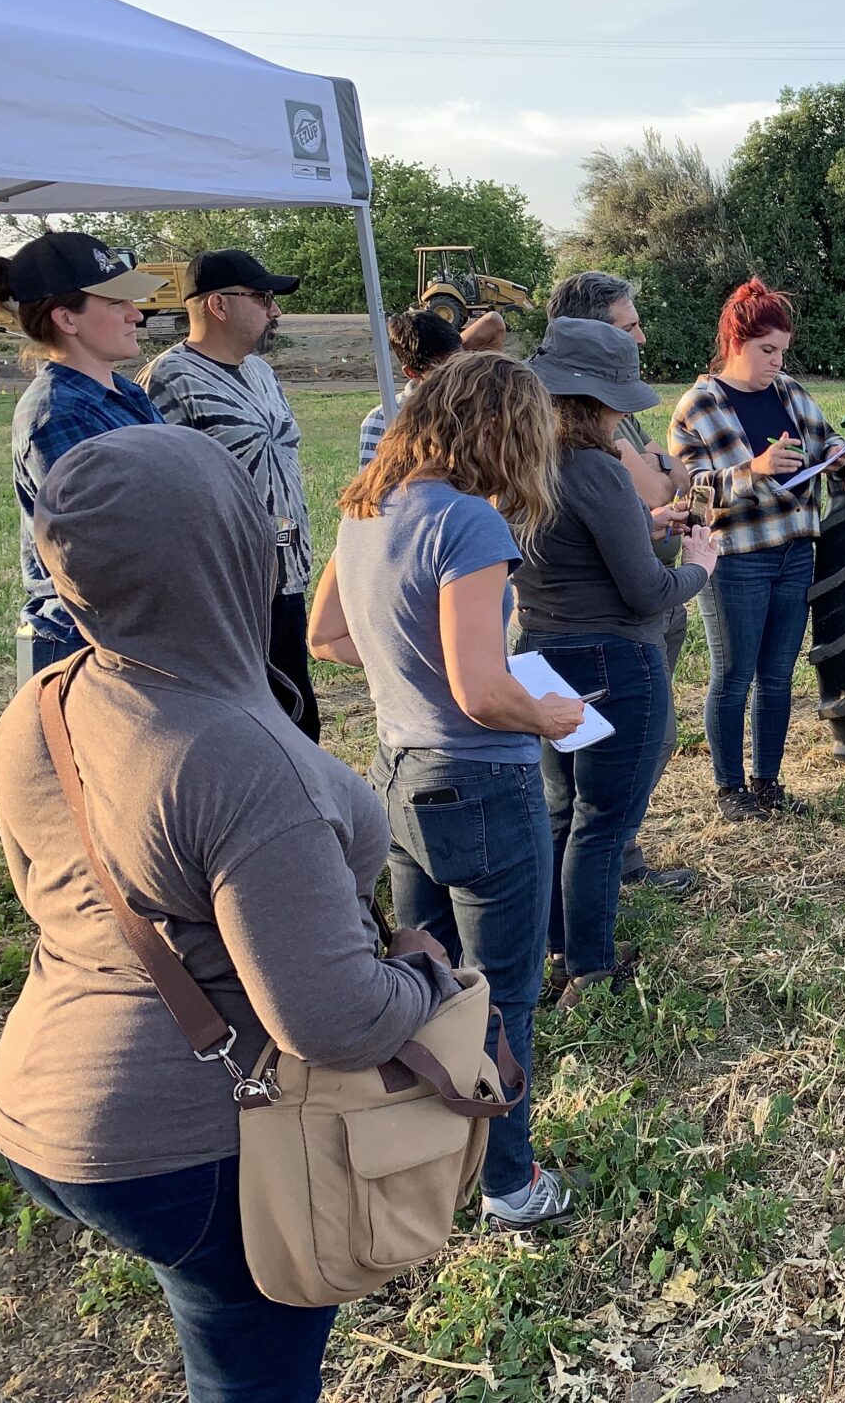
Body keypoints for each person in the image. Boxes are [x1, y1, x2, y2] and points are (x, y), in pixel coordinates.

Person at [0, 425, 443, 1401]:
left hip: (38, 1104)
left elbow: (54, 887)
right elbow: (330, 1019)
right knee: (250, 1377)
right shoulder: (238, 757)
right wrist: (425, 982)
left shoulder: (43, 700)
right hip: (199, 1135)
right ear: (220, 551)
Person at [307, 352, 583, 1231]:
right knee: (499, 994)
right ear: (498, 428)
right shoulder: (468, 524)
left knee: (419, 979)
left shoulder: (364, 505)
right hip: (481, 783)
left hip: (397, 778)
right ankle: (509, 1185)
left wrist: (407, 669)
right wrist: (549, 713)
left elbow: (327, 636)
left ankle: (426, 1160)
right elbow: (481, 689)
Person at [515, 319, 717, 1007]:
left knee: (562, 811)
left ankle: (557, 950)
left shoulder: (524, 462)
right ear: (598, 402)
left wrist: (645, 525)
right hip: (611, 661)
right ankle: (592, 970)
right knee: (602, 821)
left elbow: (574, 546)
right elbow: (648, 591)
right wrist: (699, 564)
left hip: (540, 653)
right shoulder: (597, 469)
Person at [669, 277, 845, 821]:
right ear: (734, 343)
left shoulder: (789, 392)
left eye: (782, 352)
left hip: (795, 551)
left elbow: (825, 437)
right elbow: (690, 493)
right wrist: (755, 470)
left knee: (776, 676)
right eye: (766, 350)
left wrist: (839, 452)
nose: (776, 362)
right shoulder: (698, 405)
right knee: (733, 674)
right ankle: (729, 790)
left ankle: (768, 782)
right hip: (736, 559)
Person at [547, 271, 695, 886]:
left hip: (549, 632)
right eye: (628, 328)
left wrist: (654, 501)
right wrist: (700, 565)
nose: (640, 338)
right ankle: (592, 934)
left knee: (573, 781)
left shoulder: (546, 449)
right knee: (620, 772)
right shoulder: (594, 459)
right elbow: (658, 492)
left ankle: (562, 903)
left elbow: (652, 494)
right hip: (613, 635)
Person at [141, 249, 320, 741]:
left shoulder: (262, 372)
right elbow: (156, 493)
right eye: (263, 299)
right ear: (218, 305)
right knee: (250, 734)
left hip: (283, 580)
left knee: (299, 722)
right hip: (226, 590)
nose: (274, 311)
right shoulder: (169, 380)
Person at [0, 231, 167, 680]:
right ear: (66, 320)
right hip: (86, 647)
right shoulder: (56, 414)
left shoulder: (125, 392)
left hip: (130, 632)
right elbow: (102, 548)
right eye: (116, 303)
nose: (136, 314)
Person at [358, 308, 464, 468]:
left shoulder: (475, 408)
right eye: (444, 372)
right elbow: (367, 489)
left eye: (461, 364)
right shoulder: (382, 419)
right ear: (411, 373)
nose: (458, 377)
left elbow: (493, 322)